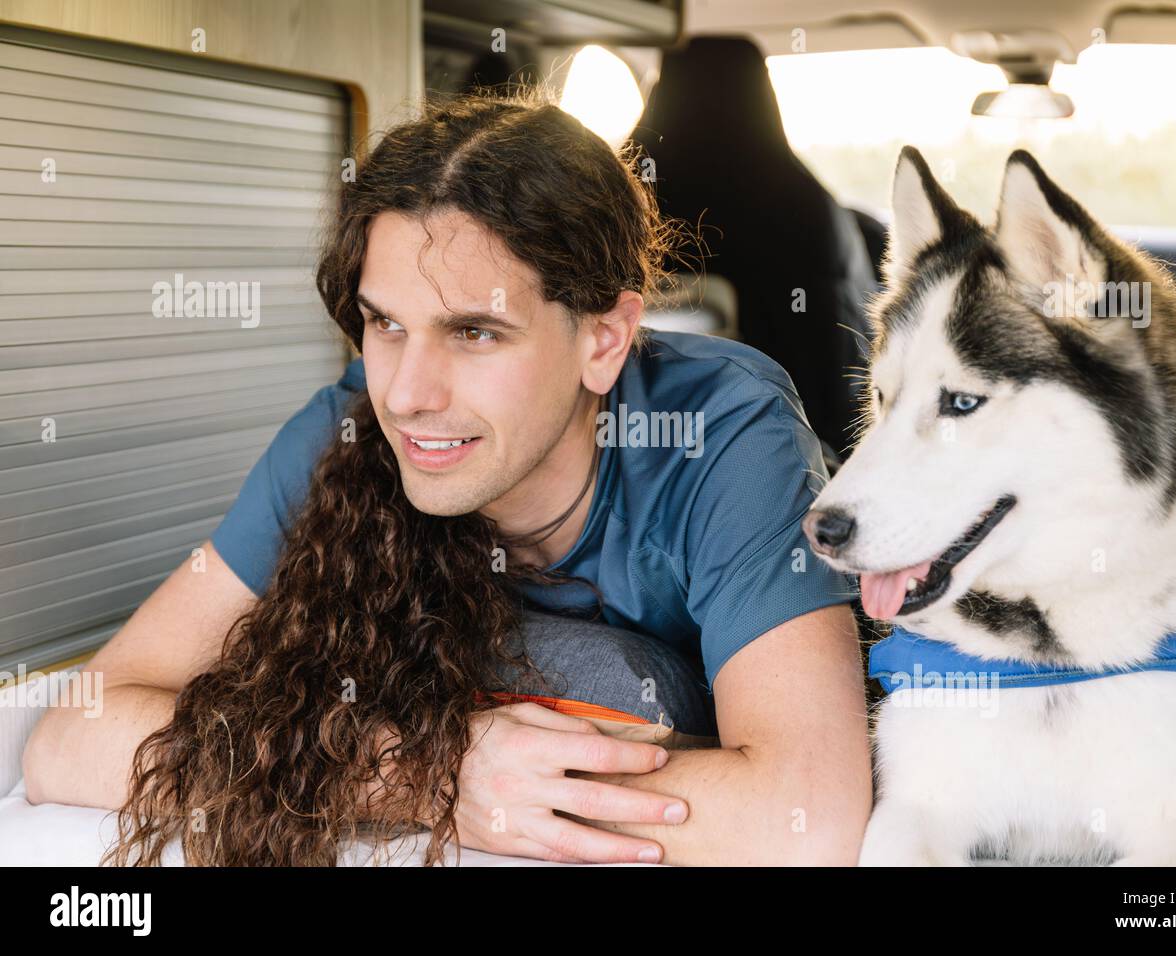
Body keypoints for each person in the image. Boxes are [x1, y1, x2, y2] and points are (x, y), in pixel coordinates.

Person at [22, 92, 870, 866]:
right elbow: (71, 737)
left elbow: (806, 814)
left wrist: (510, 783)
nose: (406, 394)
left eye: (473, 332)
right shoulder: (342, 431)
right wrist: (435, 774)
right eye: (385, 323)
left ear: (604, 340)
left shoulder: (722, 433)